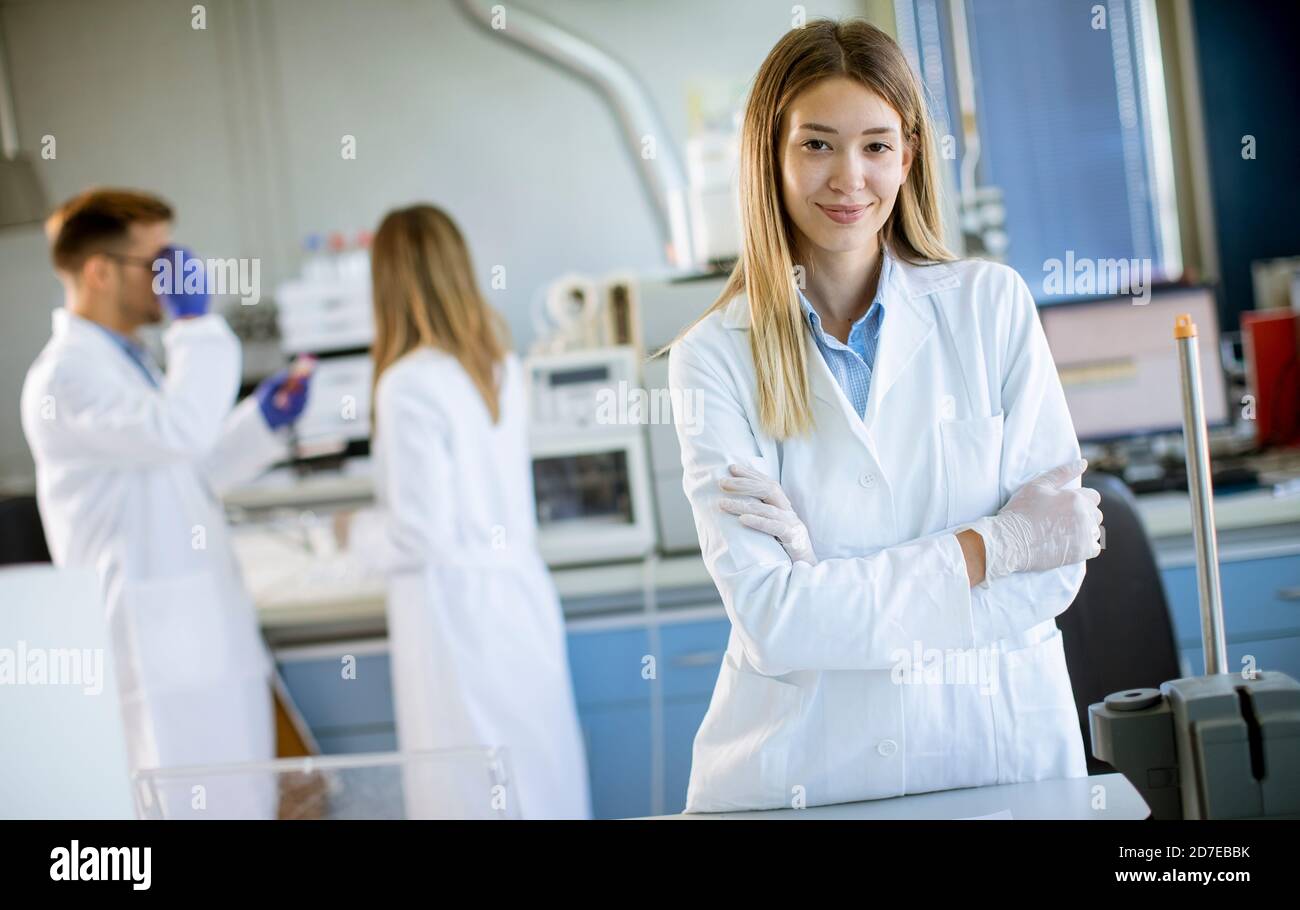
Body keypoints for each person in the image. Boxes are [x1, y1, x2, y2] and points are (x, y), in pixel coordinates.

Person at [663, 20, 1103, 813]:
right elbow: (774, 619)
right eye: (817, 145)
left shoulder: (990, 306)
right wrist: (993, 543)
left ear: (909, 154)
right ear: (770, 155)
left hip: (995, 752)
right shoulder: (714, 356)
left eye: (876, 145)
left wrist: (827, 579)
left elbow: (1055, 570)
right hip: (804, 767)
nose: (849, 178)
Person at [21, 188, 312, 818]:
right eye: (160, 262)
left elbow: (189, 464)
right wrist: (198, 326)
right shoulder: (65, 377)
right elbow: (175, 433)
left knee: (238, 798)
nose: (176, 276)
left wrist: (261, 423)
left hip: (196, 630)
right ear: (100, 271)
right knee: (187, 804)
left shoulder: (132, 364)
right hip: (154, 647)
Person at [339, 204, 591, 819]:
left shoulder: (406, 383)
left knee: (471, 793)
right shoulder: (500, 367)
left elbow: (418, 537)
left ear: (387, 283)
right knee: (538, 778)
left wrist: (353, 532)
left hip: (456, 617)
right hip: (518, 600)